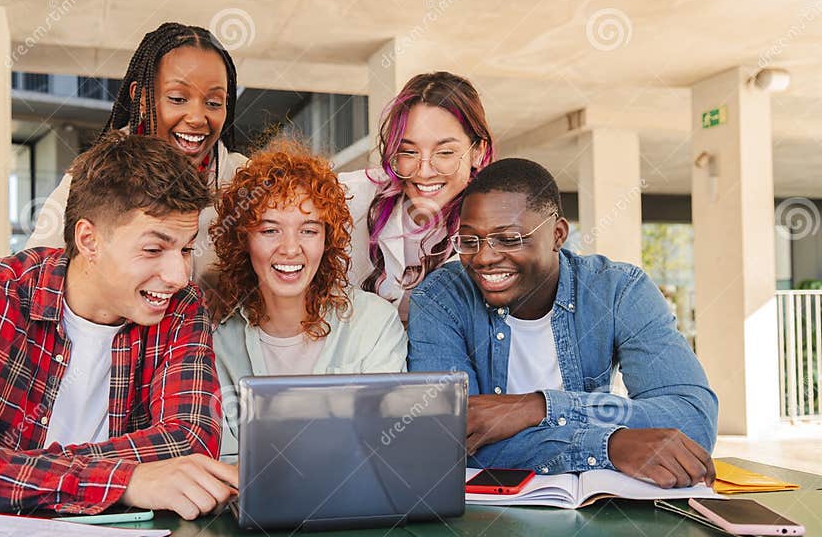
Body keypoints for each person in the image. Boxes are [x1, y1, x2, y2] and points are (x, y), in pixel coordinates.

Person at [0, 21, 248, 433]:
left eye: (215, 103)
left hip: (201, 374)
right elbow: (28, 299)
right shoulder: (100, 178)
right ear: (141, 96)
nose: (197, 117)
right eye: (178, 97)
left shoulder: (243, 182)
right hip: (107, 382)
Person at [0, 132, 237, 517]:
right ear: (89, 240)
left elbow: (190, 444)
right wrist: (125, 481)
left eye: (187, 248)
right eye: (154, 249)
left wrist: (13, 469)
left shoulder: (181, 306)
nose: (178, 275)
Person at [407, 158, 718, 488]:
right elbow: (447, 438)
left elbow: (691, 423)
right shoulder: (441, 298)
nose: (484, 257)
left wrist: (537, 407)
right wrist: (609, 446)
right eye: (470, 241)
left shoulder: (617, 290)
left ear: (558, 235)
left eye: (509, 239)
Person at [208, 141, 407, 459]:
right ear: (243, 239)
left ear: (328, 239)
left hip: (354, 506)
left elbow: (384, 447)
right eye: (270, 230)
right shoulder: (217, 340)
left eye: (309, 230)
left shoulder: (374, 323)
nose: (290, 248)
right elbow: (223, 461)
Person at [342, 72, 494, 321]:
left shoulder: (501, 225)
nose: (423, 172)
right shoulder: (355, 194)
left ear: (478, 151)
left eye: (445, 152)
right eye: (409, 152)